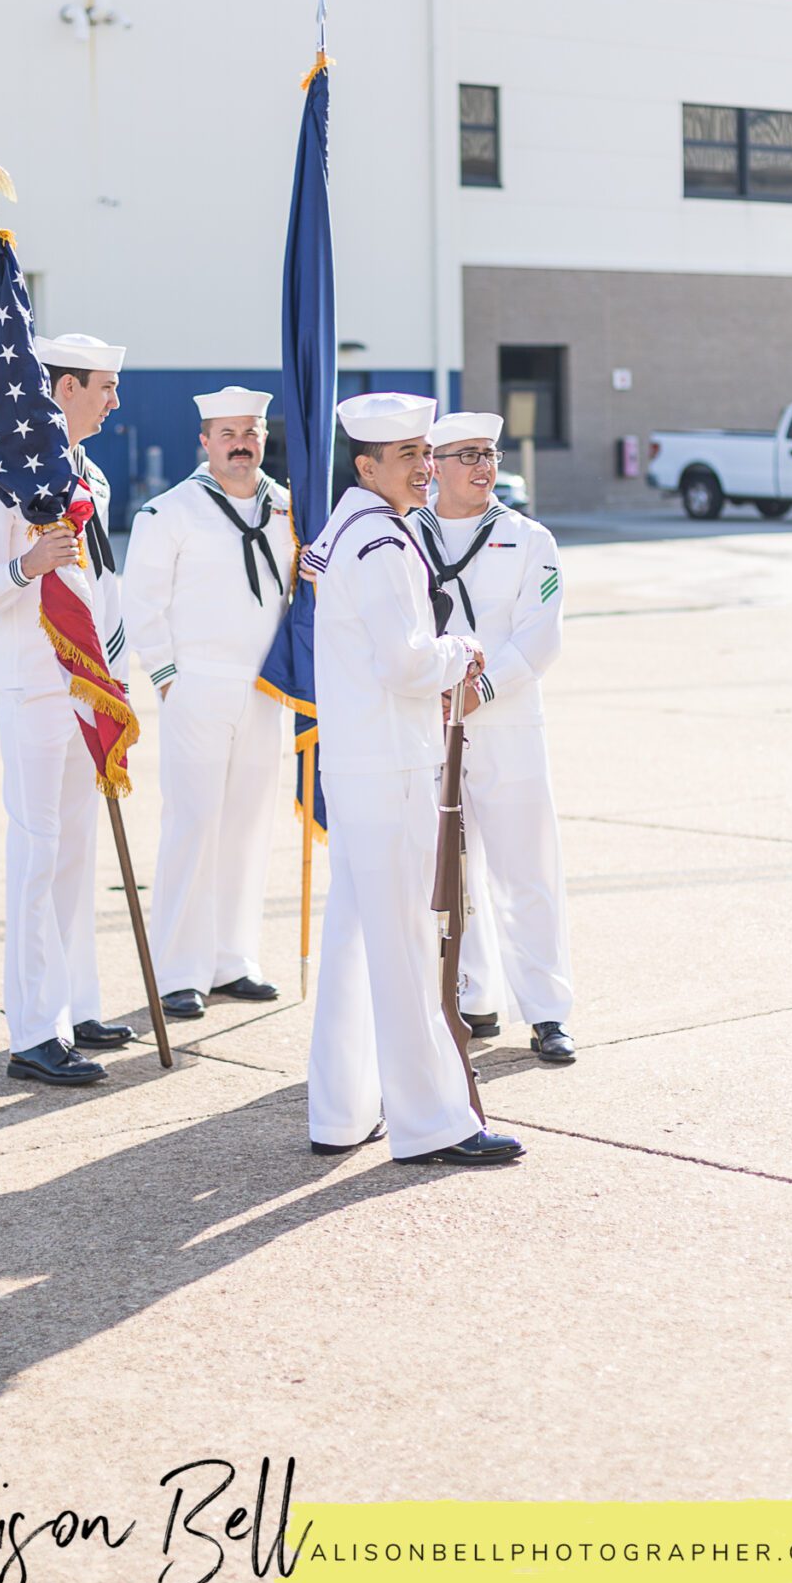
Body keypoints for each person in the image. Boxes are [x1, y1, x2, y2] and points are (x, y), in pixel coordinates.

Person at [304, 391, 525, 1166]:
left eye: (427, 453)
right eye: (408, 457)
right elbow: (403, 664)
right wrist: (459, 651)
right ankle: (434, 1122)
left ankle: (340, 1111)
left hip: (360, 760)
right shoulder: (383, 543)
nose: (426, 469)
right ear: (367, 467)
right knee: (404, 949)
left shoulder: (350, 528)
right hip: (390, 763)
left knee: (355, 943)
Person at [0, 332, 136, 1086]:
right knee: (36, 853)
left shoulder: (88, 473)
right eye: (103, 385)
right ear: (61, 389)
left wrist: (117, 676)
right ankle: (34, 1031)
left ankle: (76, 1005)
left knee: (76, 853)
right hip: (32, 680)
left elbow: (103, 583)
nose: (115, 401)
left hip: (84, 682)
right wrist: (26, 566)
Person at [122, 387, 294, 1019]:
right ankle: (179, 970)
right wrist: (168, 676)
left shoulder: (288, 507)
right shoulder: (171, 512)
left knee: (248, 825)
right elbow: (140, 600)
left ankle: (232, 959)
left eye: (249, 431)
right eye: (227, 433)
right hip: (197, 683)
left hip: (264, 687)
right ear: (205, 441)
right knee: (193, 824)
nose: (240, 443)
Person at [412, 410, 575, 1063]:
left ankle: (548, 1010)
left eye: (491, 453)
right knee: (449, 868)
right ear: (435, 465)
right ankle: (474, 997)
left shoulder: (528, 537)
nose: (485, 466)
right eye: (469, 454)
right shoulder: (402, 534)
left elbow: (542, 634)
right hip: (427, 720)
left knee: (526, 868)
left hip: (505, 719)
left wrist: (481, 688)